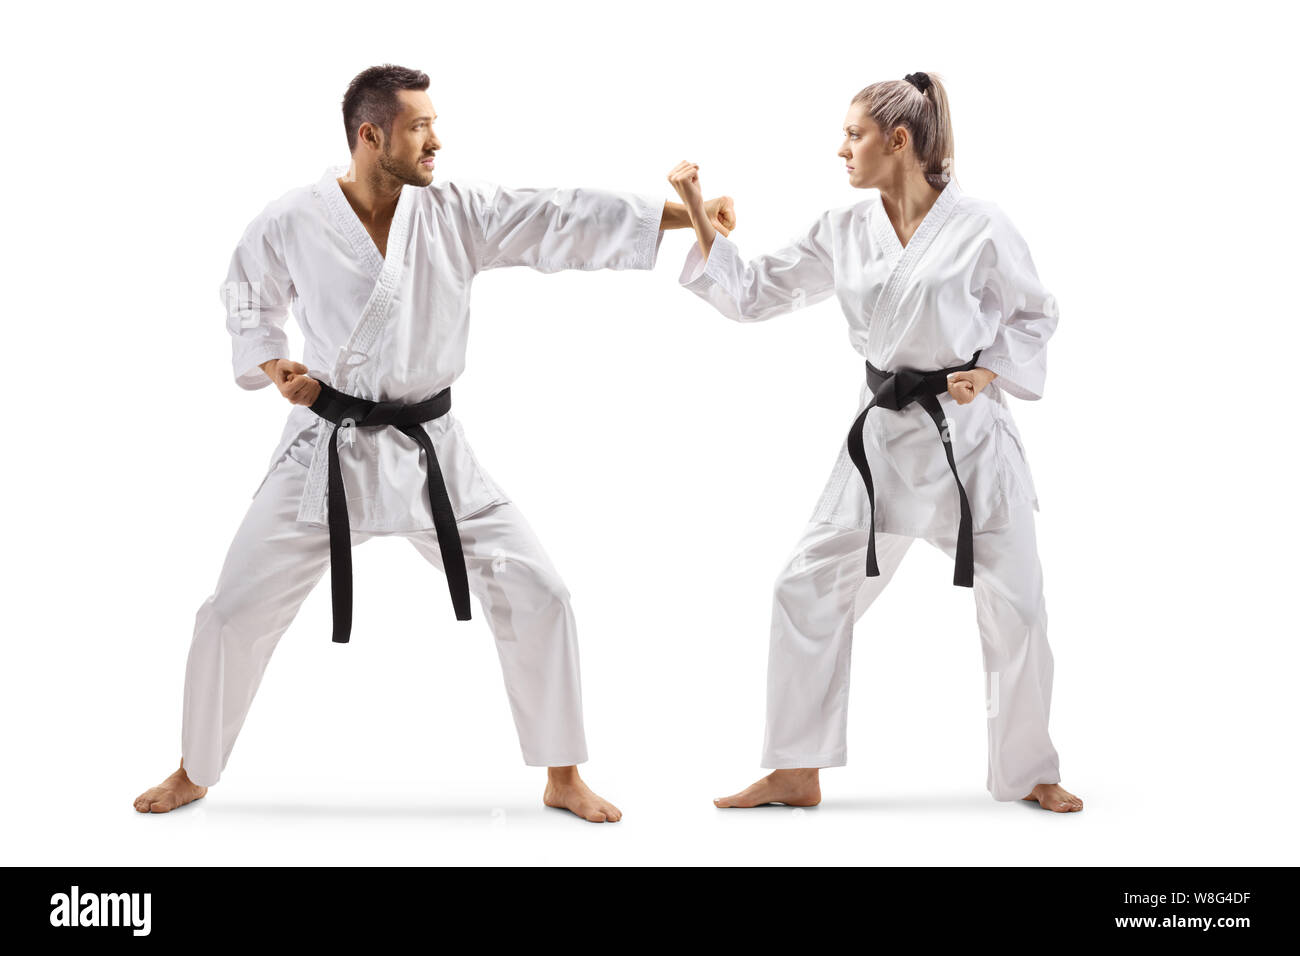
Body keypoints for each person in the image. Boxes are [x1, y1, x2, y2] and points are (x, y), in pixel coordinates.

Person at [133, 63, 734, 823]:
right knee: (230, 613)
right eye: (420, 126)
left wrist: (685, 217)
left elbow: (556, 217)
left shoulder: (452, 213)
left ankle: (562, 775)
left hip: (432, 452)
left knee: (540, 592)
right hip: (327, 448)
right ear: (370, 135)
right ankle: (194, 768)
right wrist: (270, 361)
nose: (436, 140)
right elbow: (246, 293)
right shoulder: (290, 219)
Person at [667, 71, 1081, 812]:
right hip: (882, 447)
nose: (841, 149)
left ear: (899, 143)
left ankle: (1030, 772)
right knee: (805, 588)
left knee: (1016, 607)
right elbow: (757, 291)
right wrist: (697, 211)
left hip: (970, 449)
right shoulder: (844, 229)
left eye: (854, 135)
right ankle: (796, 768)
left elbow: (1035, 316)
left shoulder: (983, 226)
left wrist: (987, 371)